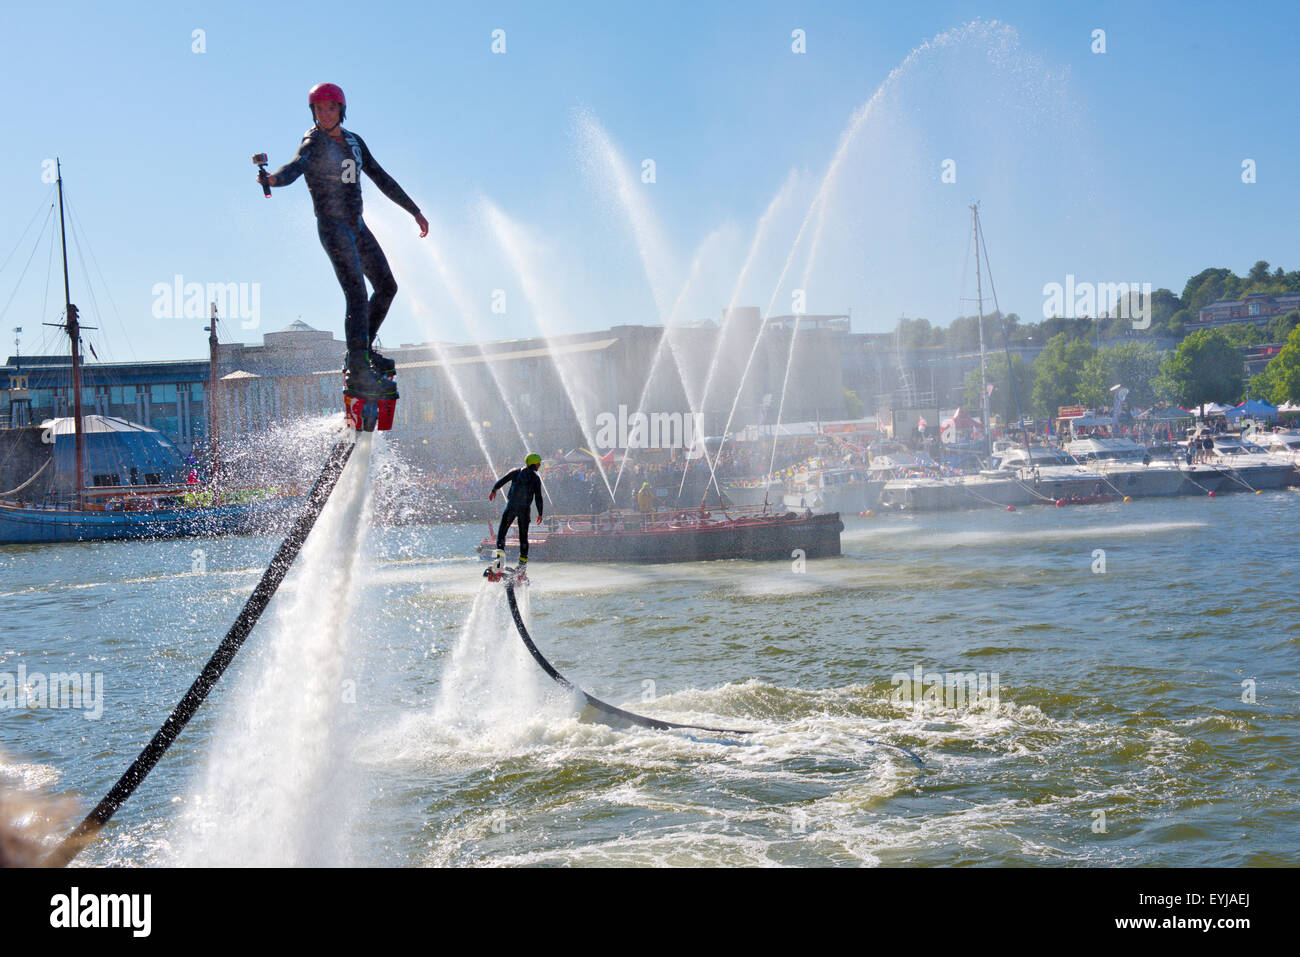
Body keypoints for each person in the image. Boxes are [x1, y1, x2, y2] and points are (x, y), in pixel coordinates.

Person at [262, 82, 429, 398]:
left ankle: (362, 352)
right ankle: (357, 367)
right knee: (356, 292)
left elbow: (381, 177)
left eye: (331, 108)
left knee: (387, 287)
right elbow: (294, 167)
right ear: (313, 112)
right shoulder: (313, 142)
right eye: (319, 109)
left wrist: (414, 211)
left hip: (357, 226)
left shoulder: (354, 142)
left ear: (341, 110)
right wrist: (273, 179)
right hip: (333, 227)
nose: (325, 114)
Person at [489, 453, 545, 573]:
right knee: (523, 537)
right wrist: (540, 513)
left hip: (511, 507)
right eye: (538, 463)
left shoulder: (516, 472)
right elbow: (538, 497)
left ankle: (499, 563)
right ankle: (522, 566)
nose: (540, 465)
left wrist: (494, 490)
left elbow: (501, 481)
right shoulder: (536, 478)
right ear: (533, 463)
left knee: (501, 534)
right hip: (524, 510)